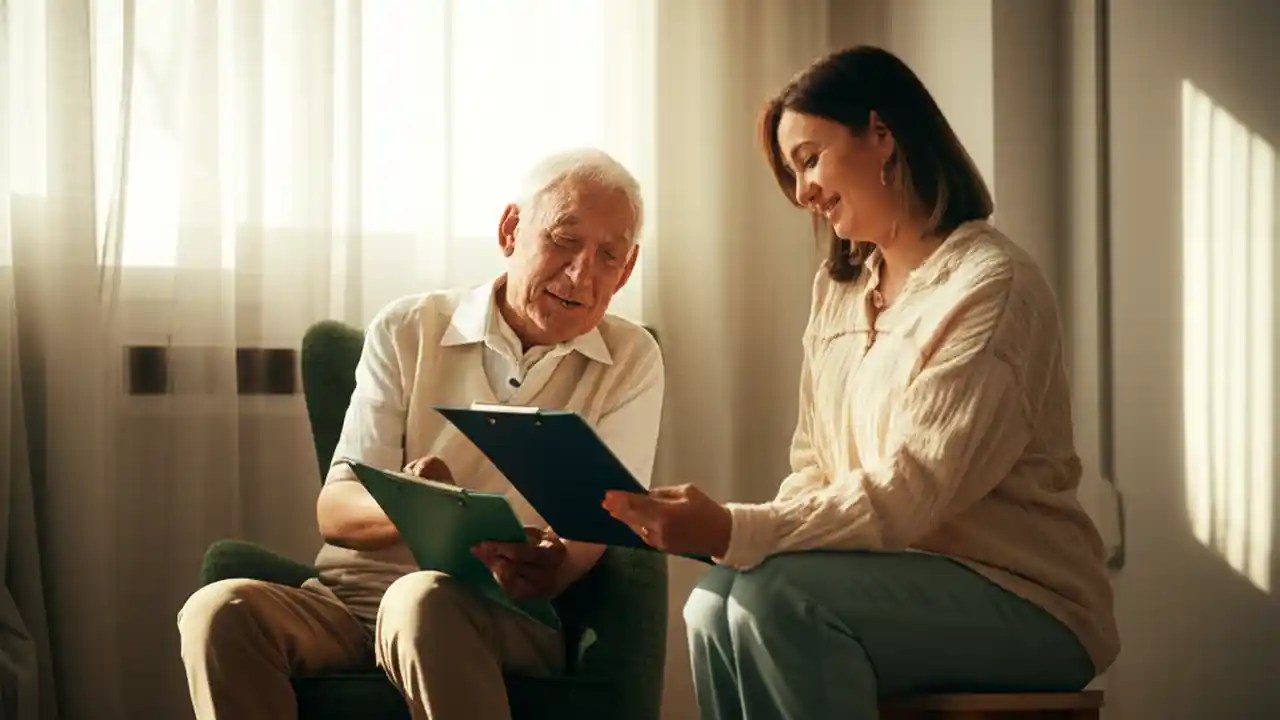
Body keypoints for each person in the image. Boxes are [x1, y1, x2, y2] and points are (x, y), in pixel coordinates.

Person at [603, 46, 1119, 719]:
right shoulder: (841, 291)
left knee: (778, 597)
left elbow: (912, 492)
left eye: (809, 159)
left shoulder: (991, 285)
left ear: (881, 135)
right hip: (883, 582)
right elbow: (816, 467)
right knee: (711, 602)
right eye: (792, 173)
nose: (802, 193)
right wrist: (740, 544)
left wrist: (733, 526)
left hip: (1029, 599)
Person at [178, 148, 664, 720]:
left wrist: (550, 564)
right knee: (219, 608)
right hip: (349, 604)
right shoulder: (409, 328)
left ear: (627, 270)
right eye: (564, 239)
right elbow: (335, 510)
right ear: (511, 230)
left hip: (498, 613)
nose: (582, 274)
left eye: (609, 256)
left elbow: (593, 525)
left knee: (421, 599)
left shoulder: (630, 358)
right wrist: (422, 509)